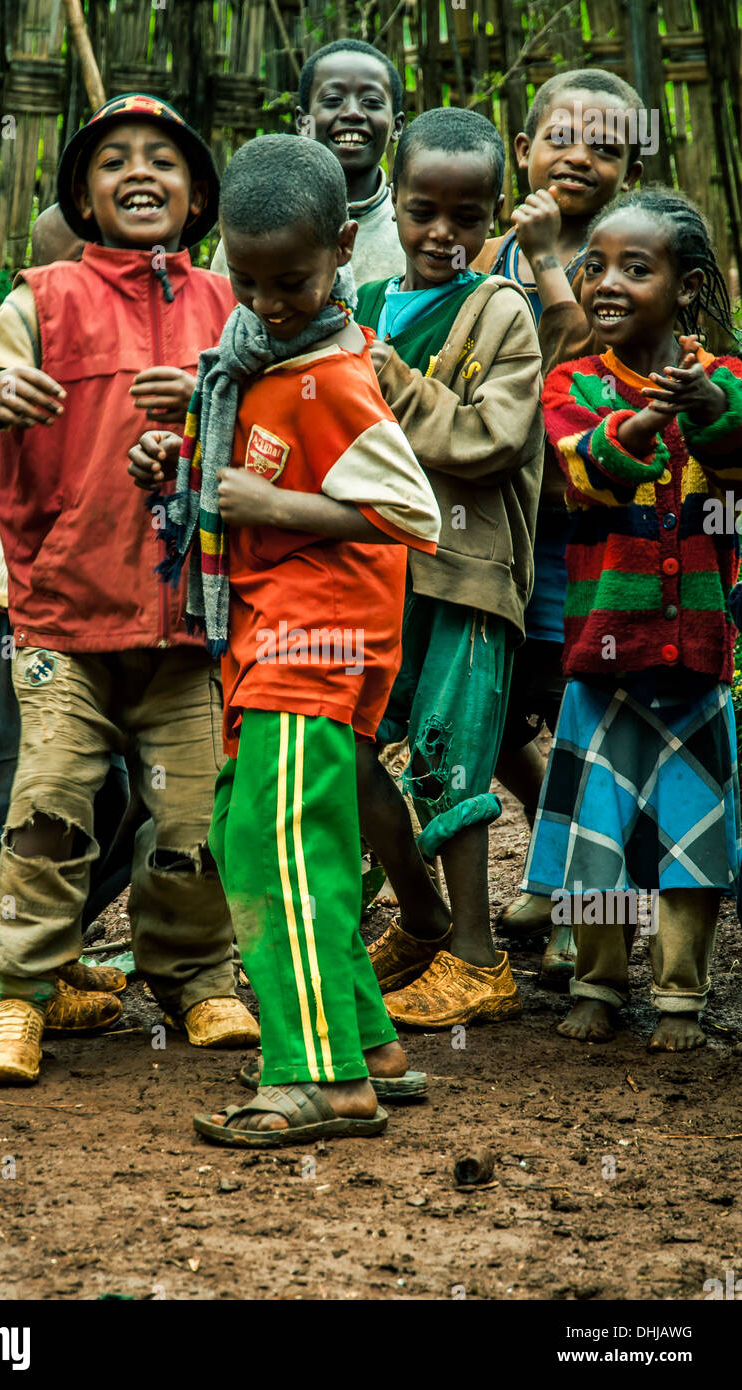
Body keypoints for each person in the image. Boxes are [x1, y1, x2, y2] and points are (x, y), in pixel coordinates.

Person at [0, 93, 260, 1085]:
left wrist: (203, 414)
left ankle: (197, 982)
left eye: (163, 157)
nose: (139, 172)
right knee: (48, 816)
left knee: (193, 823)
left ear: (198, 195)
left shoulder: (229, 307)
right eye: (114, 161)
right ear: (82, 195)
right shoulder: (43, 297)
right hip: (64, 620)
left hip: (189, 625)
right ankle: (18, 997)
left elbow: (278, 431)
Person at [131, 133, 440, 1145]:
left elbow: (408, 512)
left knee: (279, 848)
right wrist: (170, 452)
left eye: (291, 280)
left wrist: (272, 501)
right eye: (248, 278)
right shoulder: (262, 361)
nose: (266, 301)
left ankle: (319, 1074)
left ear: (344, 247)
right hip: (269, 640)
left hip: (317, 641)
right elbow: (241, 440)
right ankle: (366, 1040)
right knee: (278, 837)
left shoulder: (335, 374)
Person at [524, 189, 742, 1052]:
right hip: (601, 663)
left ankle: (680, 999)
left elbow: (736, 461)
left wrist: (705, 408)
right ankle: (598, 983)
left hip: (695, 659)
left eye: (632, 269)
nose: (604, 283)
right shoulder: (571, 383)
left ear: (686, 287)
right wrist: (654, 413)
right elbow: (589, 472)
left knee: (694, 838)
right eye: (594, 267)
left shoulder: (726, 384)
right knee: (596, 838)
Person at [353, 107, 544, 1030]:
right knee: (341, 745)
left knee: (449, 762)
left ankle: (478, 955)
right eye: (423, 211)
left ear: (495, 216)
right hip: (372, 573)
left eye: (466, 218)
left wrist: (394, 381)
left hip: (467, 578)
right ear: (397, 207)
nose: (442, 235)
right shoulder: (364, 304)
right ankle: (421, 916)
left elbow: (491, 439)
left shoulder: (502, 311)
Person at [473, 70, 645, 980]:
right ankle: (553, 848)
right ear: (522, 149)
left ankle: (589, 911)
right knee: (497, 717)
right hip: (501, 532)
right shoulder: (482, 256)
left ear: (630, 167)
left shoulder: (633, 259)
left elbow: (580, 367)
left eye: (605, 144)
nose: (579, 154)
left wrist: (549, 263)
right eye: (561, 136)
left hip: (591, 539)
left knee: (583, 713)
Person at [0, 203, 133, 1031]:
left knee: (112, 797)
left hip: (108, 619)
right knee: (11, 804)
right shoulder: (22, 341)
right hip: (13, 609)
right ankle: (1, 981)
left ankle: (48, 952)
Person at [211, 38, 405, 287]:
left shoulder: (408, 233)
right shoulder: (259, 219)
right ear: (304, 123)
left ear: (397, 126)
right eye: (333, 99)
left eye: (372, 102)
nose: (353, 113)